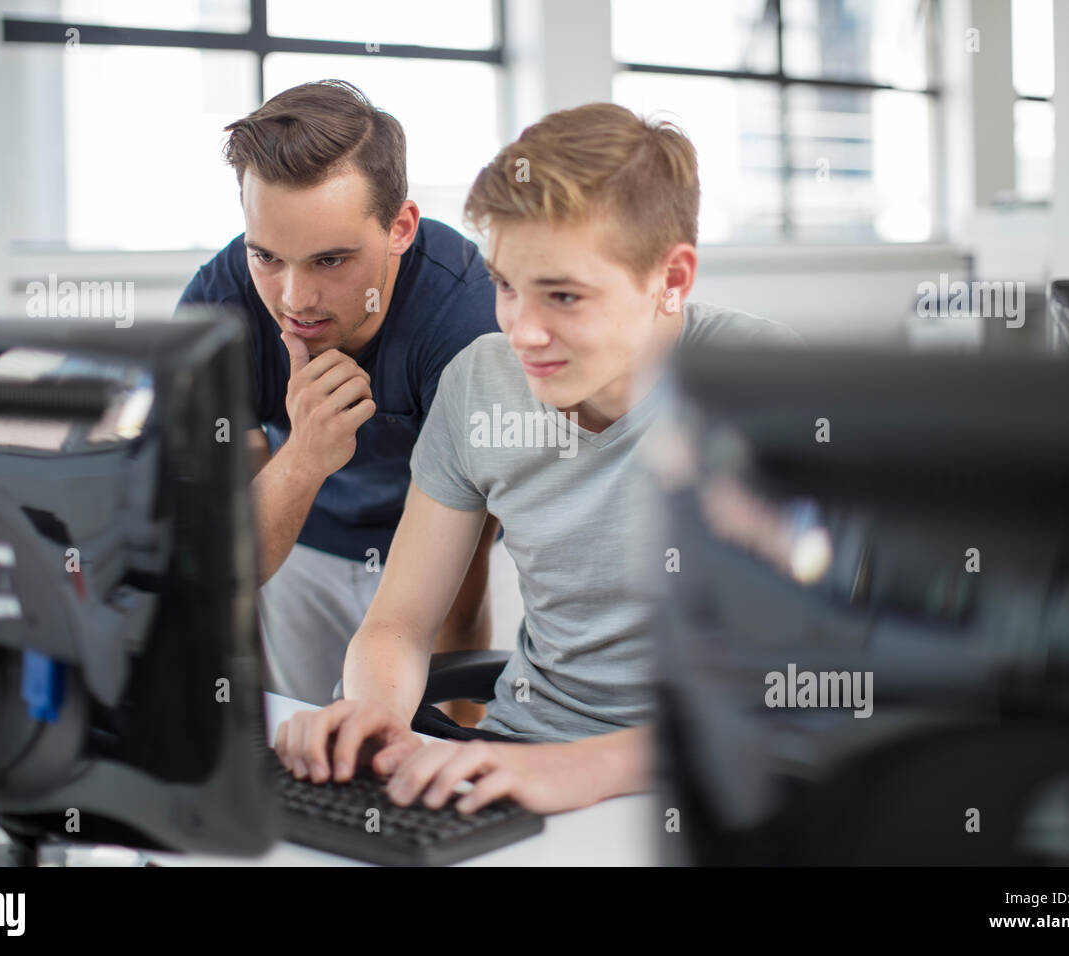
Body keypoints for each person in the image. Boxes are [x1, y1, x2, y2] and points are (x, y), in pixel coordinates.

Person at [274, 102, 802, 814]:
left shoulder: (770, 391)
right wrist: (377, 716)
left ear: (672, 279)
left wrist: (584, 769)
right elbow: (398, 624)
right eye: (505, 286)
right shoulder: (479, 381)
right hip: (521, 761)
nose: (523, 332)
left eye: (563, 296)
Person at [177, 80, 500, 710]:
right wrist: (303, 455)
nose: (295, 300)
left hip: (437, 538)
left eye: (330, 261)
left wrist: (459, 748)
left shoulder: (469, 319)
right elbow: (220, 566)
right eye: (267, 256)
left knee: (431, 741)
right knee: (310, 739)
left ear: (401, 227)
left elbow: (462, 594)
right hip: (301, 538)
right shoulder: (218, 309)